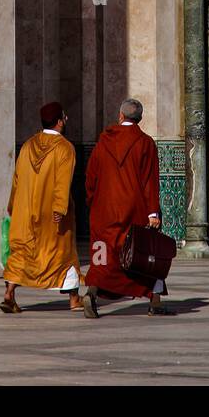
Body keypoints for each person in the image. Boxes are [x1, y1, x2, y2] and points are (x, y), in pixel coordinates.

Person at [83, 97, 172, 317]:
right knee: (143, 254)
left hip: (104, 210)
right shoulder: (145, 143)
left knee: (103, 256)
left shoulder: (103, 141)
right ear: (140, 119)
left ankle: (92, 291)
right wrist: (153, 212)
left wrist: (93, 202)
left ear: (120, 116)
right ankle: (155, 301)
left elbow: (90, 177)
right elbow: (150, 180)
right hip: (135, 210)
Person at [1, 101, 82, 314]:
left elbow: (16, 180)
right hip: (52, 214)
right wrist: (59, 209)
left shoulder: (27, 146)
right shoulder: (65, 148)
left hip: (25, 211)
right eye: (64, 117)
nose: (66, 120)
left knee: (21, 253)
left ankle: (9, 293)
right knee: (63, 254)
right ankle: (74, 299)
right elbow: (63, 182)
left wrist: (12, 206)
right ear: (58, 122)